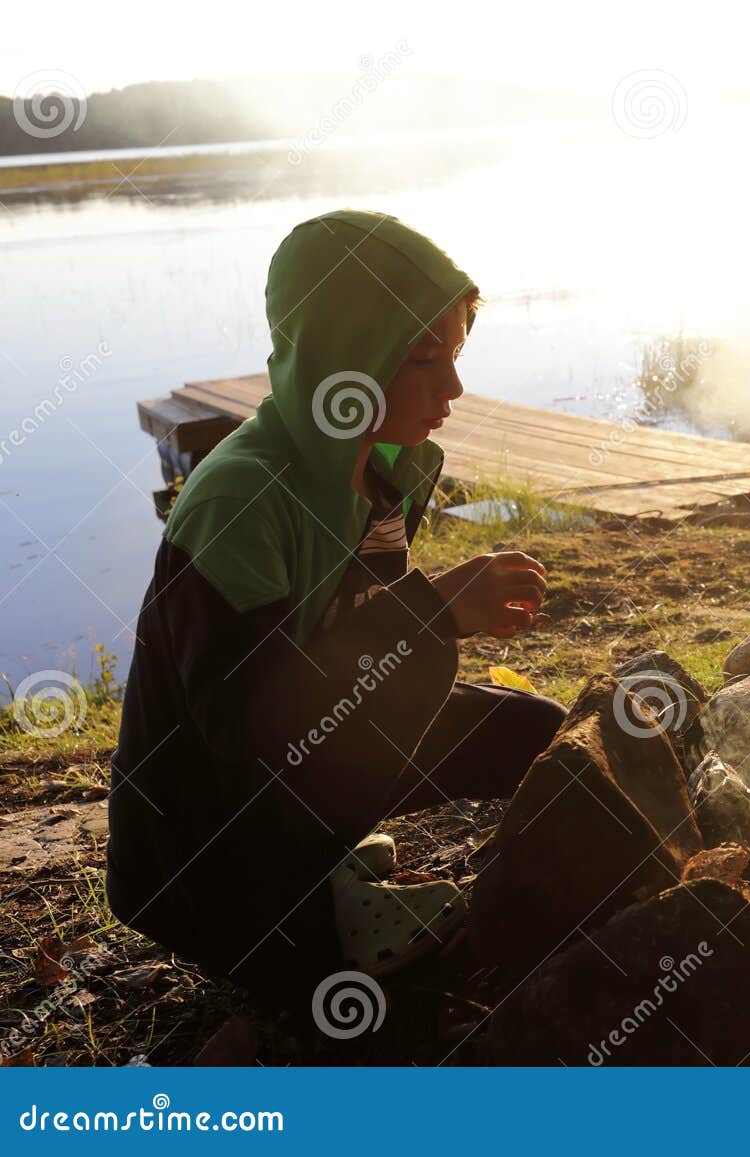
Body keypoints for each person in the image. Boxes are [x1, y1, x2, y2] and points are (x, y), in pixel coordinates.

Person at [107, 210, 566, 1000]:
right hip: (202, 844)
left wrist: (425, 618)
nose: (454, 388)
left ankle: (334, 860)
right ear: (344, 359)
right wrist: (435, 612)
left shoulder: (384, 469)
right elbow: (250, 729)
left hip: (299, 764)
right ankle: (314, 905)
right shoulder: (239, 501)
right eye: (424, 358)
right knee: (381, 988)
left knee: (539, 735)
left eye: (456, 356)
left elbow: (354, 646)